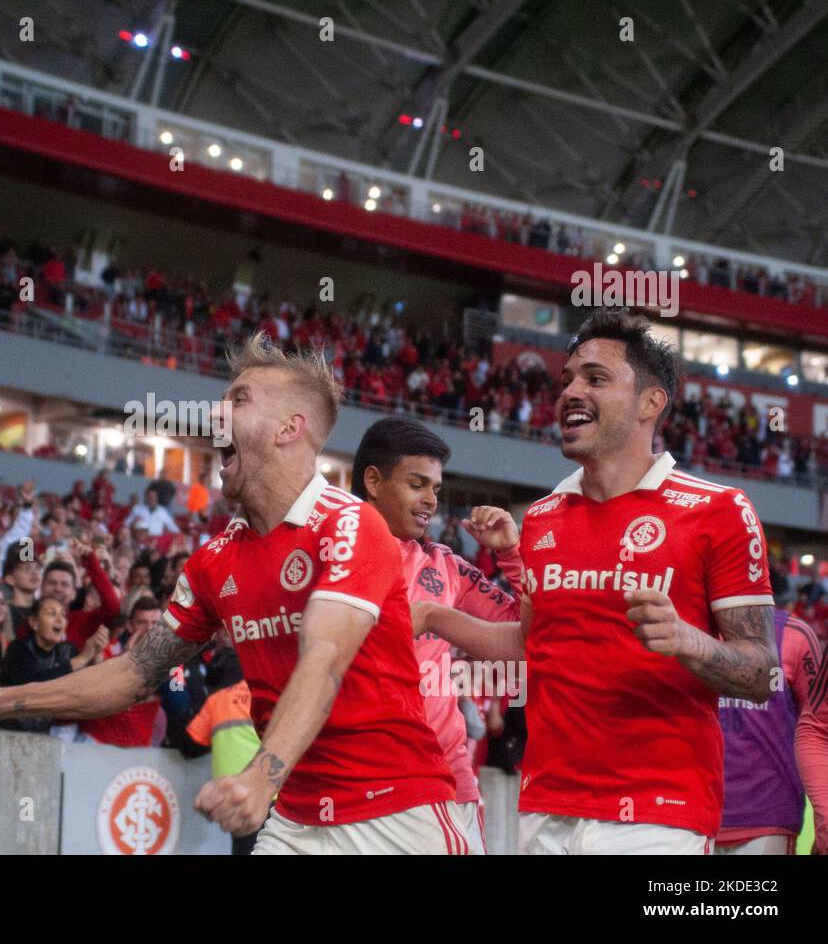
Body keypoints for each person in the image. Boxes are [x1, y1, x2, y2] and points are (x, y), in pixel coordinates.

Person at [0, 332, 463, 854]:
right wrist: (3, 701)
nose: (217, 412)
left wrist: (259, 777)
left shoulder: (352, 524)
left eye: (238, 400)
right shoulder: (215, 560)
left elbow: (324, 658)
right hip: (296, 814)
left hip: (398, 811)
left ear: (290, 428)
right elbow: (133, 674)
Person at [417, 309, 778, 854]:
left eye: (595, 378)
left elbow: (762, 672)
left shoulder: (720, 511)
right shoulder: (542, 518)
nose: (570, 392)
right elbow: (530, 644)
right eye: (566, 381)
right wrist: (433, 616)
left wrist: (686, 639)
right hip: (547, 808)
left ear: (651, 404)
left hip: (659, 816)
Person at [350, 416, 525, 855]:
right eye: (417, 484)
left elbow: (530, 628)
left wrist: (511, 553)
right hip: (350, 773)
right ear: (373, 480)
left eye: (436, 489)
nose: (431, 500)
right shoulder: (328, 551)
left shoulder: (445, 565)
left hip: (445, 776)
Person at [717, 609, 827, 855]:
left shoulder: (794, 634)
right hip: (692, 814)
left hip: (769, 815)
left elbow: (817, 728)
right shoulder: (688, 630)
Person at [186, 644, 261, 855]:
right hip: (275, 791)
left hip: (236, 799)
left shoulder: (216, 700)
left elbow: (191, 744)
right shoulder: (268, 693)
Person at [0, 597, 107, 733]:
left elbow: (93, 689)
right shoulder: (18, 648)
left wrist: (97, 653)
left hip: (42, 736)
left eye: (63, 615)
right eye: (52, 614)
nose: (60, 620)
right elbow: (33, 685)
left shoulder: (66, 651)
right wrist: (81, 659)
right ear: (34, 622)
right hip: (6, 732)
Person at [78, 596, 166, 746]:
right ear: (130, 626)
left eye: (156, 623)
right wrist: (126, 663)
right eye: (141, 622)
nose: (150, 629)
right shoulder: (106, 651)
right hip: (97, 744)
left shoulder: (172, 661)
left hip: (139, 750)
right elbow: (93, 694)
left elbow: (178, 699)